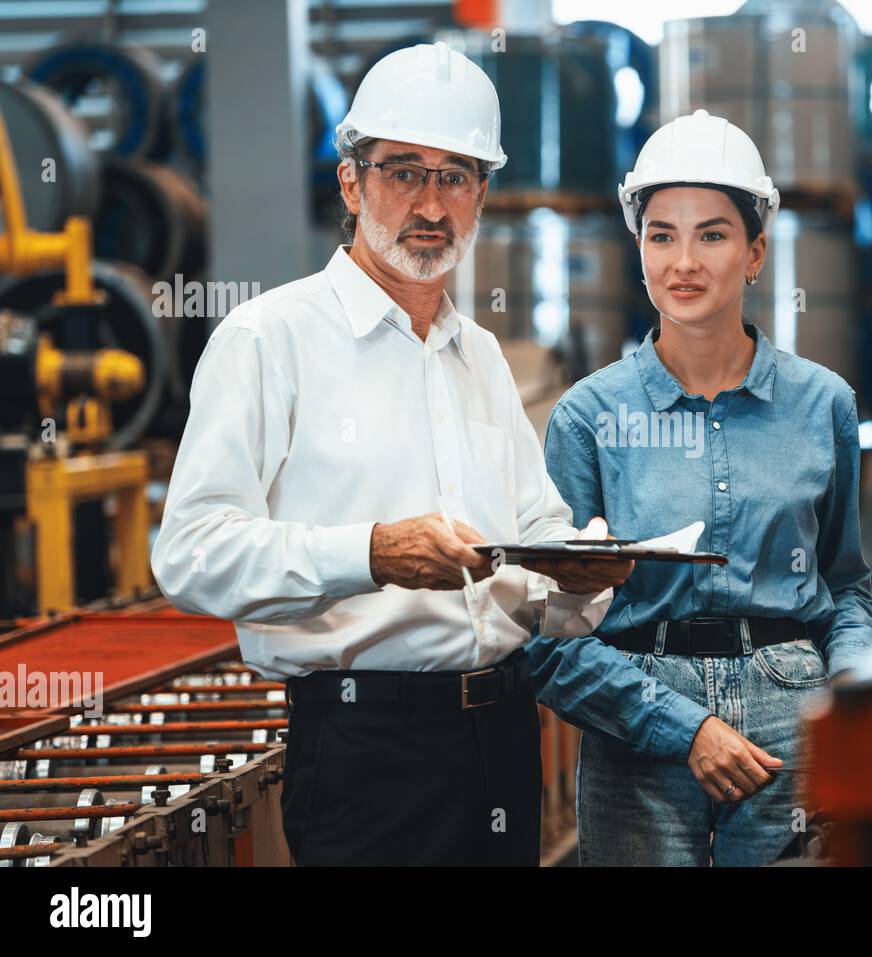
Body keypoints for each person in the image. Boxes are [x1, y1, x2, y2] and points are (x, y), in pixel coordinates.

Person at [150, 42, 635, 866]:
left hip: (499, 735)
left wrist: (580, 577)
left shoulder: (480, 356)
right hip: (364, 751)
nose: (431, 202)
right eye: (403, 170)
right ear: (351, 181)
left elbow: (536, 540)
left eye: (455, 176)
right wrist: (370, 553)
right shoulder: (269, 341)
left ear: (482, 195)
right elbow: (191, 555)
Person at [528, 110, 872, 866]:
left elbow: (846, 585)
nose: (684, 261)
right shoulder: (588, 417)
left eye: (713, 234)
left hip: (792, 728)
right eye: (662, 234)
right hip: (638, 736)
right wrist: (681, 727)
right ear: (639, 250)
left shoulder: (822, 404)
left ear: (756, 253)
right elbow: (551, 639)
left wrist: (852, 686)